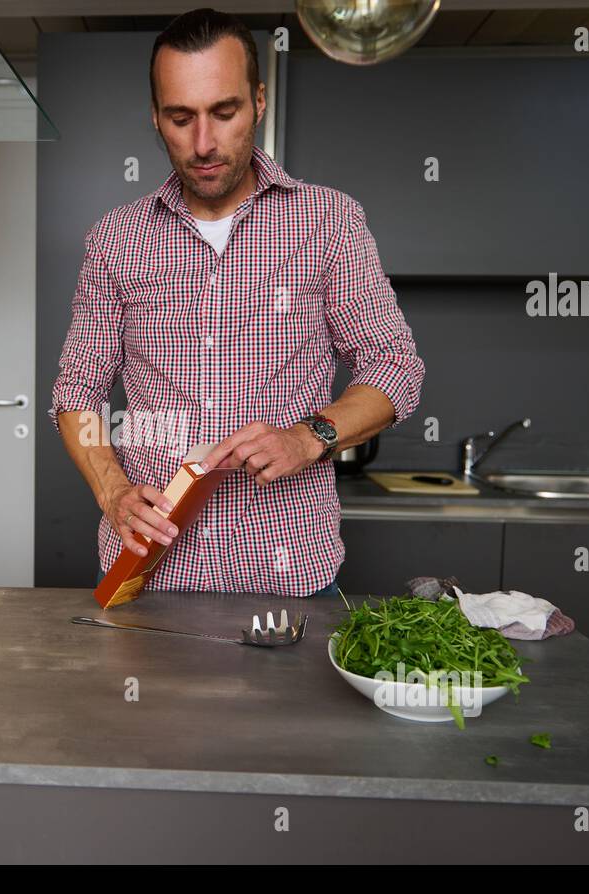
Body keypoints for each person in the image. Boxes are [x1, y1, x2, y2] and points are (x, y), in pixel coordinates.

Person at [48, 8, 425, 597]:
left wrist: (307, 438)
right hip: (150, 572)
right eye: (180, 117)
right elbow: (78, 392)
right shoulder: (115, 239)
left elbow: (394, 368)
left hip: (290, 574)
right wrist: (113, 491)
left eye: (224, 112)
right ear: (155, 117)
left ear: (258, 100)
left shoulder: (330, 222)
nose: (203, 144)